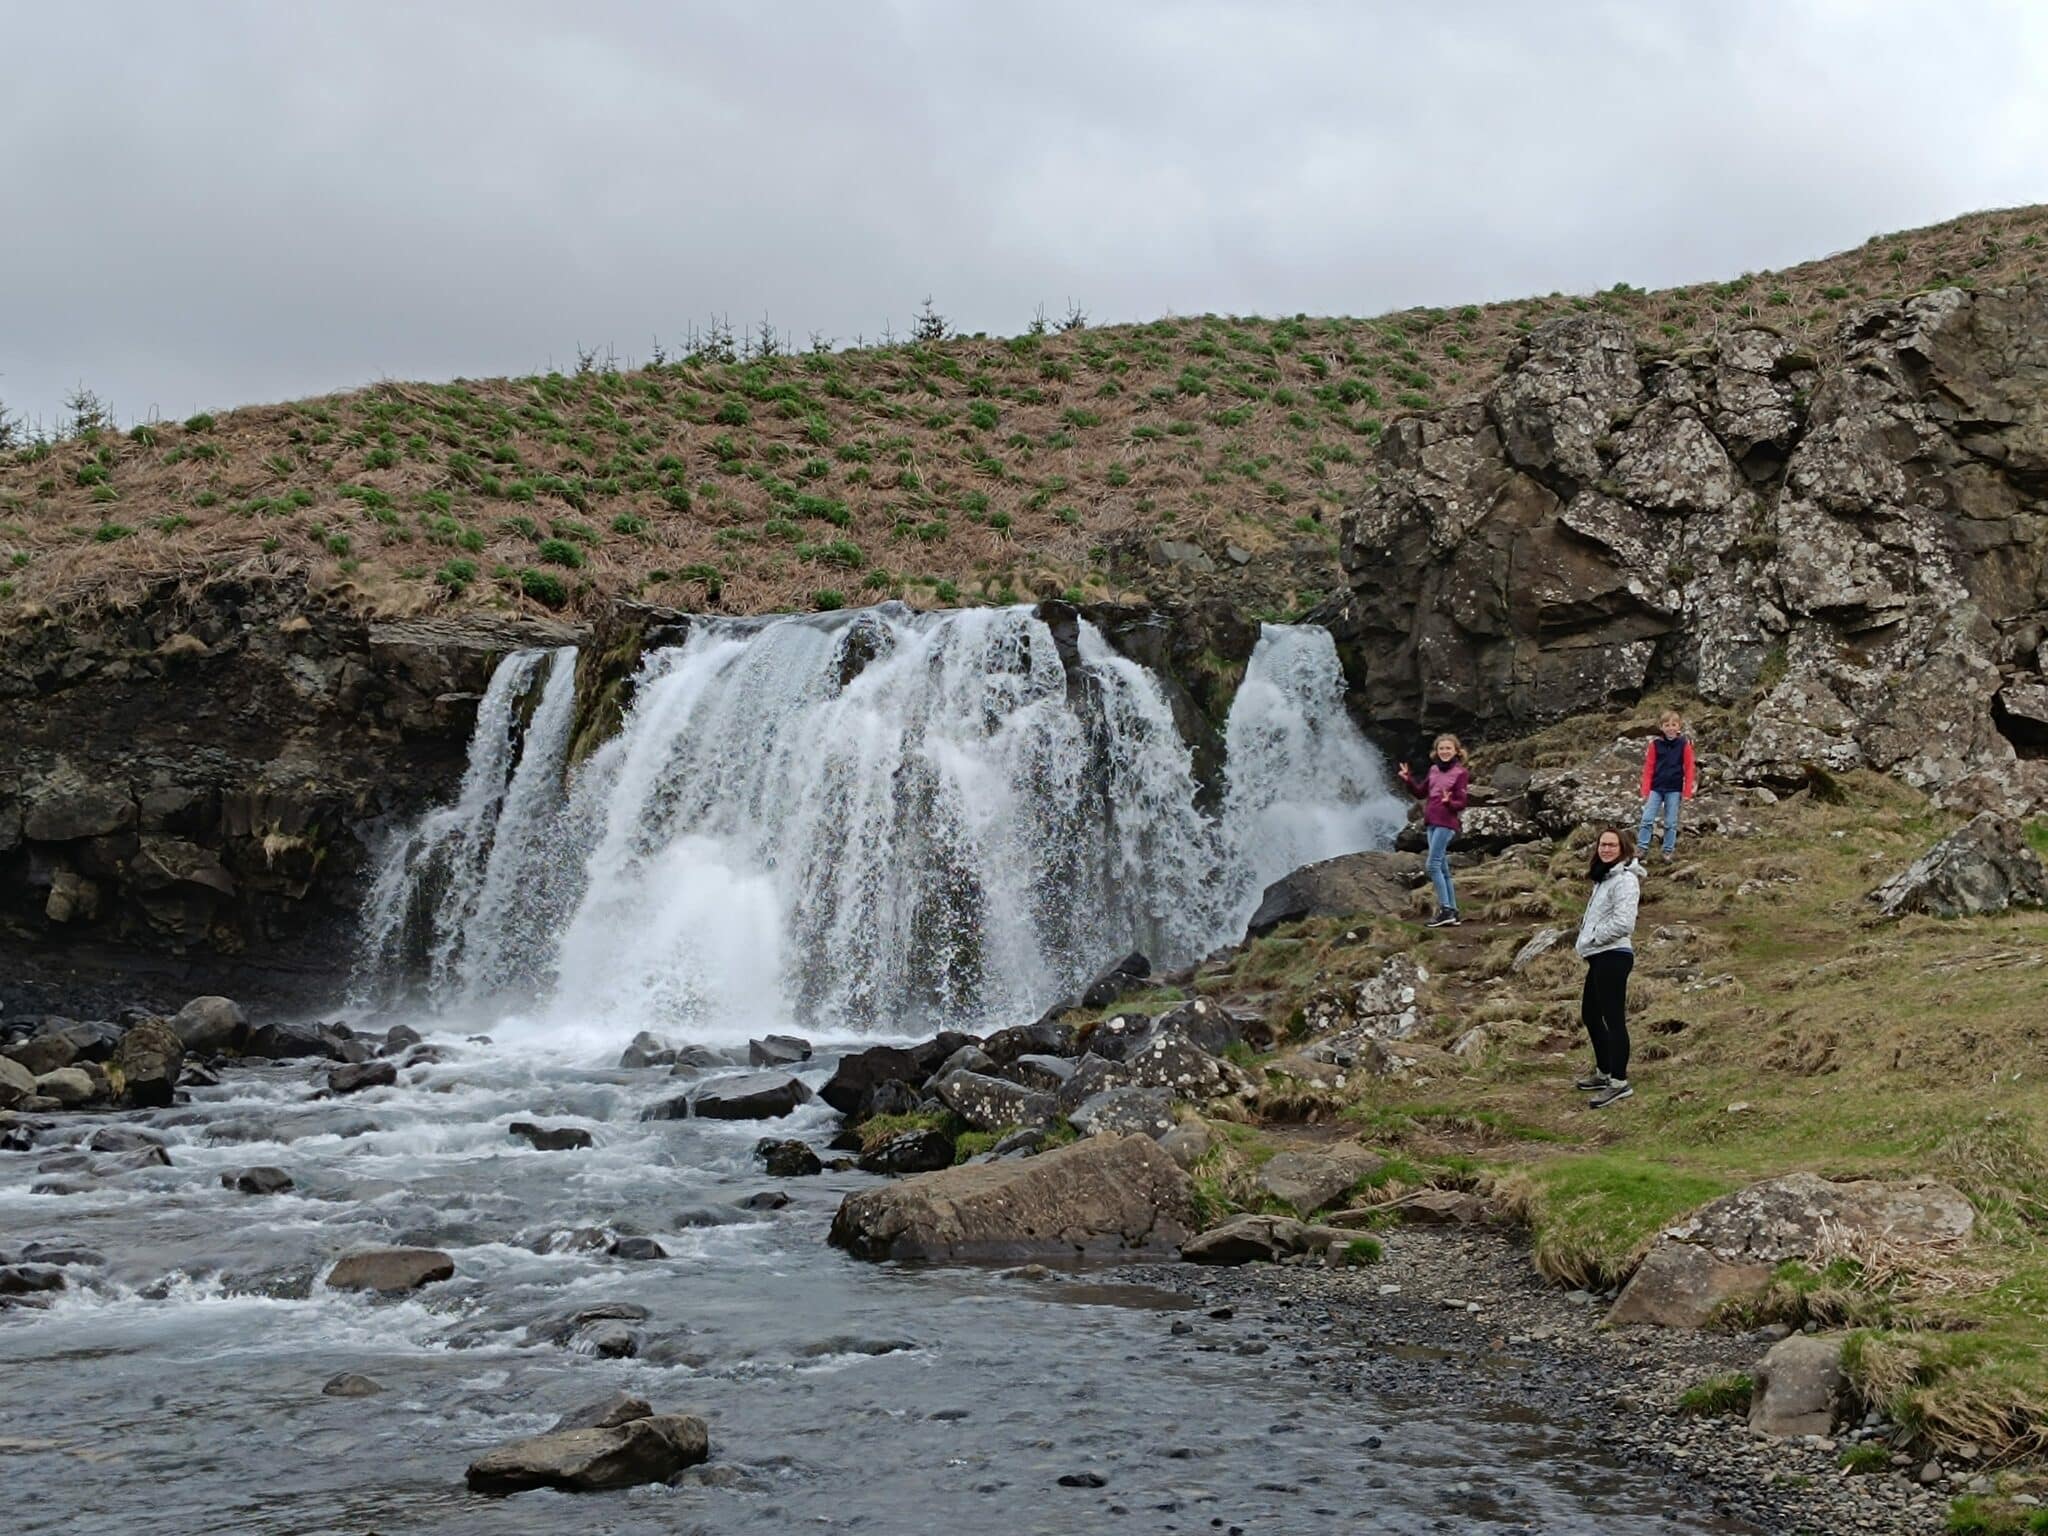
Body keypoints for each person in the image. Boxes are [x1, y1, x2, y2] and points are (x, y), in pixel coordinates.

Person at [1575, 826, 1643, 1108]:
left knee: (1613, 1019)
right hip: (1600, 956)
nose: (1606, 849)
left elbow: (1624, 923)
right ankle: (1604, 1071)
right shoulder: (1605, 878)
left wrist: (1592, 938)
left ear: (1623, 849)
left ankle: (1619, 1082)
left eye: (1612, 845)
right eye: (1603, 845)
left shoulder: (1625, 880)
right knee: (1591, 1015)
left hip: (1613, 955)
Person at [1398, 733, 1469, 929]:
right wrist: (1408, 779)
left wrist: (1449, 802)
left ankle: (1445, 909)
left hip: (1447, 822)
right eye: (1441, 748)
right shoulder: (1434, 770)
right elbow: (1421, 792)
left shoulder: (1460, 772)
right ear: (1436, 752)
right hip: (1431, 822)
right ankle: (1452, 911)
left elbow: (1462, 802)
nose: (1444, 751)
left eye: (1448, 748)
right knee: (1443, 869)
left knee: (1433, 865)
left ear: (1456, 751)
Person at [1637, 710, 1697, 860]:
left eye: (1674, 724)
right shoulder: (1655, 745)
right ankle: (1642, 848)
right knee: (1647, 819)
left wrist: (1687, 791)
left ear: (1679, 726)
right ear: (1661, 727)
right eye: (1667, 725)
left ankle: (1668, 850)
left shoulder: (1684, 744)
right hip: (1656, 788)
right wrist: (1645, 789)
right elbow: (1649, 767)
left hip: (1674, 789)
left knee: (1671, 822)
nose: (1670, 728)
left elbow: (1689, 768)